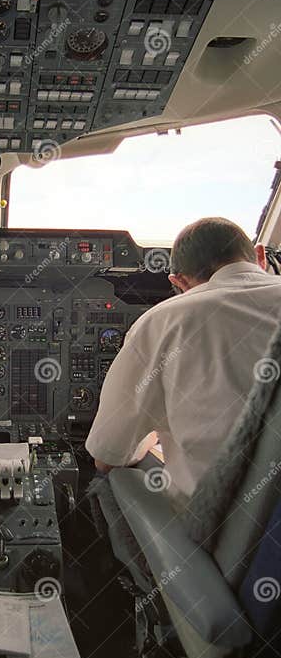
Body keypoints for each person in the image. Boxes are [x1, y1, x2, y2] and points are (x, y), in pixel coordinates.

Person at [85, 217, 281, 510]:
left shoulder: (164, 321)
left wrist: (151, 435)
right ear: (261, 257)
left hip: (219, 533)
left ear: (178, 281)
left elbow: (108, 458)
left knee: (105, 482)